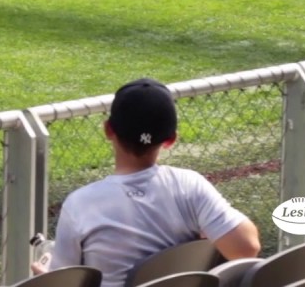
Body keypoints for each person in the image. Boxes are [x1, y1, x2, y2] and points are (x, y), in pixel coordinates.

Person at [38, 78, 262, 287]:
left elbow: (64, 282)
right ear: (171, 139)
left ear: (108, 130)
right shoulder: (190, 186)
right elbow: (247, 248)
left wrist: (44, 276)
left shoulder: (80, 204)